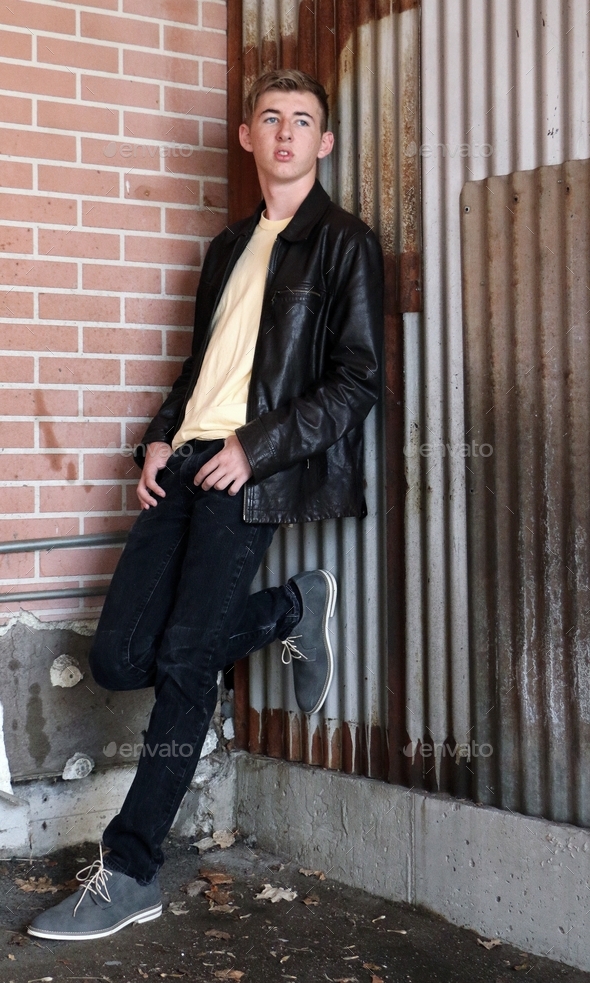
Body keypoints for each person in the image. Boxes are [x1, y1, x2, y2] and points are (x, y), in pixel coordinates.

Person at [28, 69, 384, 942]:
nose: (289, 133)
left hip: (248, 473)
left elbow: (357, 382)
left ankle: (132, 869)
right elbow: (200, 371)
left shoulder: (344, 243)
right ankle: (295, 608)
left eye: (304, 121)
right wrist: (157, 436)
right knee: (119, 656)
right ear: (248, 136)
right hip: (186, 462)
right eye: (273, 119)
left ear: (324, 142)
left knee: (187, 664)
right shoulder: (228, 247)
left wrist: (250, 449)